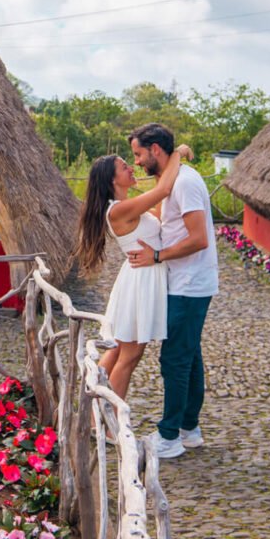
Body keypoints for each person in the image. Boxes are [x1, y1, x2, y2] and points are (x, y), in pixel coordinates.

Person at [128, 122, 218, 459]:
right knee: (189, 356)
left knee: (175, 359)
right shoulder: (175, 178)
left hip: (189, 283)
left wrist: (156, 256)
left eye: (138, 154)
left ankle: (168, 437)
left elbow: (199, 238)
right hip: (183, 281)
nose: (136, 161)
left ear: (154, 150)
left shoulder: (186, 183)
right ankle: (189, 429)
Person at [76, 143, 191, 400]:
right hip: (140, 280)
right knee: (130, 355)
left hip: (141, 277)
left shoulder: (127, 206)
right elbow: (162, 190)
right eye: (123, 166)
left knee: (118, 351)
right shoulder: (118, 210)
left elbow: (160, 211)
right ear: (111, 179)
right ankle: (109, 419)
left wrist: (164, 167)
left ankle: (90, 407)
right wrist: (176, 154)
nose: (130, 167)